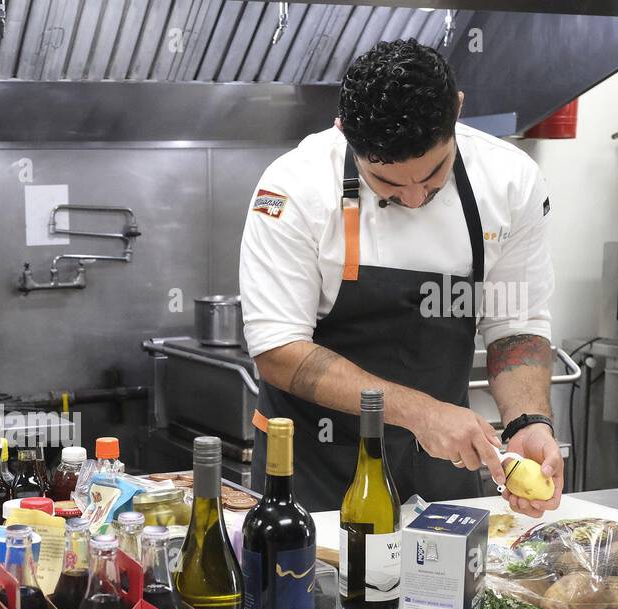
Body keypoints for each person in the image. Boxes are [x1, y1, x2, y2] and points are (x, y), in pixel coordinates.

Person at [240, 39, 559, 517]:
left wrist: (527, 422)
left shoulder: (510, 182)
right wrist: (422, 414)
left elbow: (516, 324)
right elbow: (279, 352)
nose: (414, 199)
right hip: (315, 470)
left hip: (443, 461)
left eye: (434, 175)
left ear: (457, 110)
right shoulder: (293, 188)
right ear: (345, 131)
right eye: (387, 183)